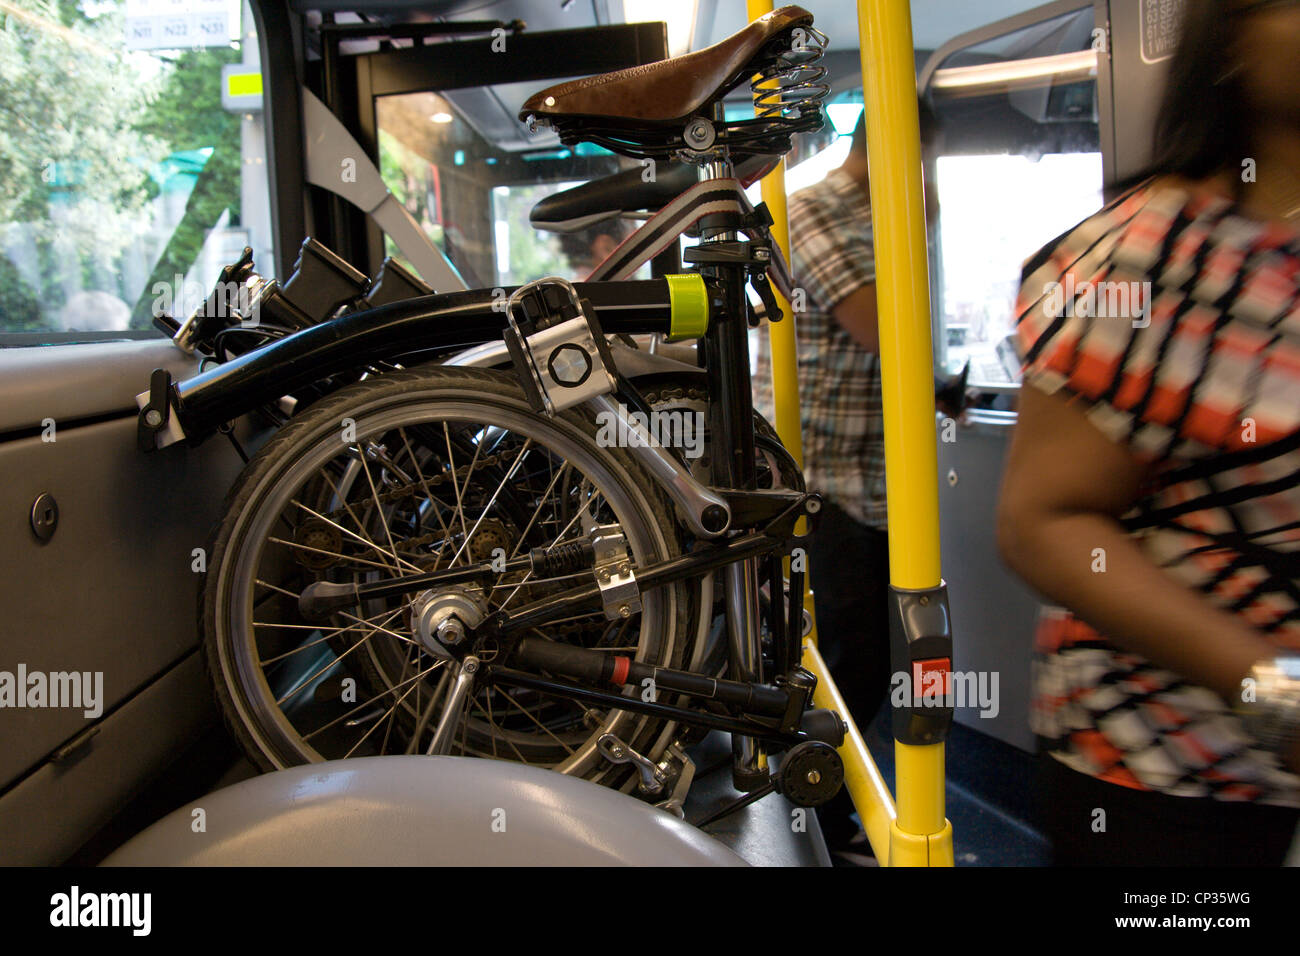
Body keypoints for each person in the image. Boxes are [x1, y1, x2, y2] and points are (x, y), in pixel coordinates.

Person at [997, 0, 1300, 865]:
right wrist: (1281, 697)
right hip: (1172, 768)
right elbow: (1043, 525)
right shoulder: (1151, 256)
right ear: (1232, 41)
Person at [753, 109, 889, 861]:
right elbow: (881, 327)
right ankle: (819, 817)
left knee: (862, 657)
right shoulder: (818, 211)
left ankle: (826, 817)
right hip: (827, 479)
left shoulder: (863, 219)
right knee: (845, 659)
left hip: (866, 478)